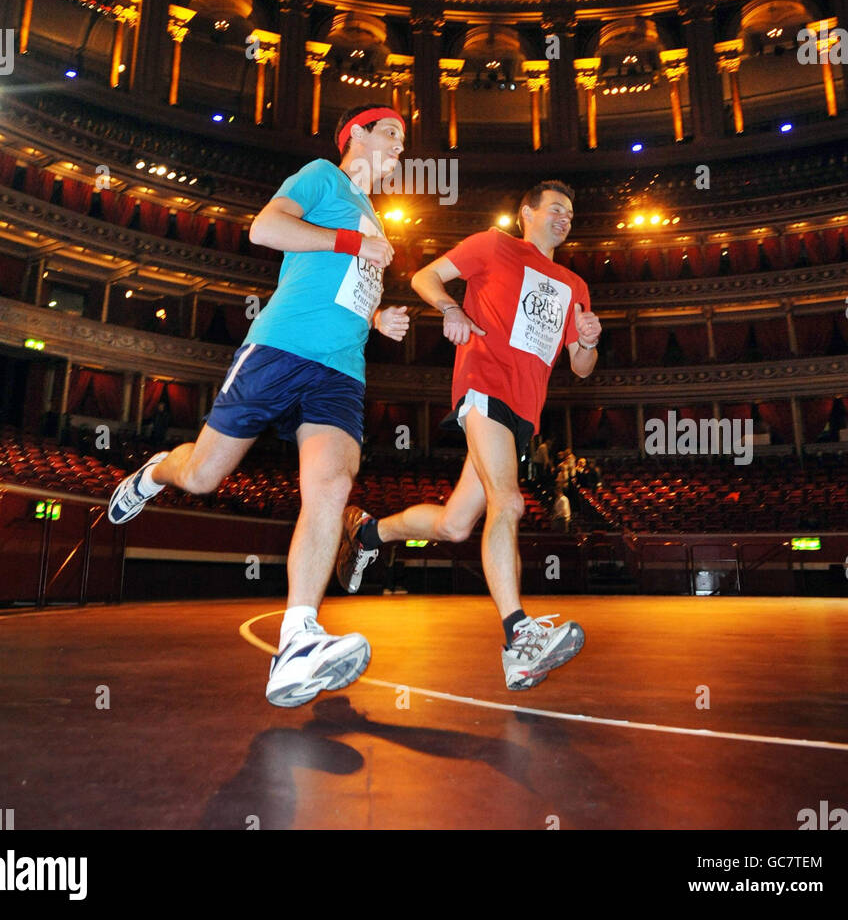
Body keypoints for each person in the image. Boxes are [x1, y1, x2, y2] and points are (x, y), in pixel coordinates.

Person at [107, 104, 411, 707]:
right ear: (357, 135)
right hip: (280, 348)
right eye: (392, 133)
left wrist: (378, 316)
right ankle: (157, 470)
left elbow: (341, 286)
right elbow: (265, 230)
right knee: (202, 476)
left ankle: (299, 638)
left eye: (405, 138)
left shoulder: (378, 218)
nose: (402, 146)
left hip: (341, 370)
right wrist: (352, 240)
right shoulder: (323, 175)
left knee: (333, 484)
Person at [336, 179, 602, 690]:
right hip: (485, 387)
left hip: (525, 412)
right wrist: (452, 309)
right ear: (526, 211)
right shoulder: (493, 245)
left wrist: (588, 341)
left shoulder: (574, 285)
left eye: (570, 212)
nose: (565, 218)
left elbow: (582, 368)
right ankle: (518, 640)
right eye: (555, 209)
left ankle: (367, 531)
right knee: (510, 502)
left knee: (457, 525)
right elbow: (425, 276)